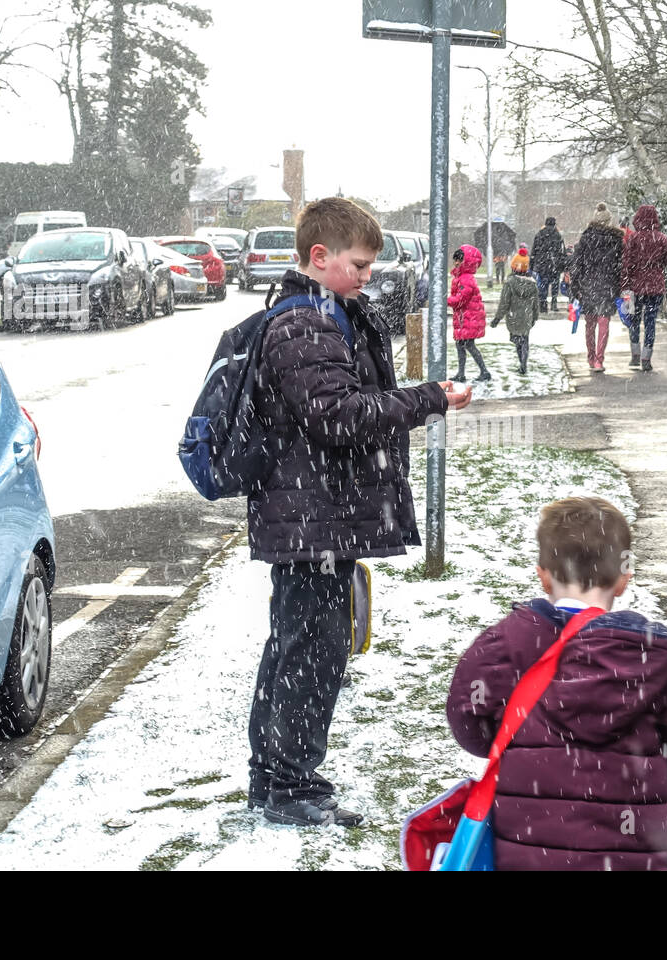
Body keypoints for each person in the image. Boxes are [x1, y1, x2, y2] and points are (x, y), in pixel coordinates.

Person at [246, 197, 473, 827]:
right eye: (359, 265)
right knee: (311, 653)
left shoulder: (328, 313)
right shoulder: (303, 325)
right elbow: (340, 417)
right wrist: (429, 399)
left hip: (315, 515)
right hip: (309, 518)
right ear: (319, 259)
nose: (368, 275)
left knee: (298, 647)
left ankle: (276, 776)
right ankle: (288, 784)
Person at [447, 497, 667, 870]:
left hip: (530, 853)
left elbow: (470, 727)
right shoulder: (655, 655)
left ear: (542, 574)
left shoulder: (504, 644)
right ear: (622, 580)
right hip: (636, 856)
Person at [570, 202, 625, 373]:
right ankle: (599, 360)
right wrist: (619, 285)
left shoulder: (586, 238)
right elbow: (620, 265)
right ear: (609, 221)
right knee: (604, 322)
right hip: (607, 285)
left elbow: (577, 264)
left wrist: (575, 286)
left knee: (590, 323)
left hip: (588, 285)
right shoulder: (616, 239)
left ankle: (590, 356)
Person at [622, 203, 667, 372]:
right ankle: (646, 357)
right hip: (655, 286)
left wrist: (626, 285)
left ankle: (635, 354)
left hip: (635, 287)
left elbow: (627, 263)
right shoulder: (661, 238)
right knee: (650, 322)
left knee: (633, 320)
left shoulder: (633, 239)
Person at [490, 246, 538, 375]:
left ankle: (521, 362)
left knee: (518, 341)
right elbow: (536, 303)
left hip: (513, 317)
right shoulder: (532, 284)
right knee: (525, 340)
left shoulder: (510, 283)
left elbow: (504, 303)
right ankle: (524, 363)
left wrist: (497, 318)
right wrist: (535, 317)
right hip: (527, 317)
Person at [448, 244, 491, 382]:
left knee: (468, 345)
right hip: (464, 318)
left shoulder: (466, 279)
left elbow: (461, 300)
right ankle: (461, 374)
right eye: (455, 260)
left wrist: (446, 300)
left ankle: (484, 372)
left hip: (469, 318)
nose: (456, 263)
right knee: (461, 345)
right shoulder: (461, 277)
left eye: (459, 260)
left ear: (466, 262)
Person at [530, 216, 566, 313]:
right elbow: (562, 251)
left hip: (542, 264)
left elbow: (534, 250)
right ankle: (554, 303)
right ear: (554, 224)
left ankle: (543, 304)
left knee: (543, 285)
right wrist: (563, 264)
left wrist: (532, 264)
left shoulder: (539, 234)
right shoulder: (558, 235)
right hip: (555, 264)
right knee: (555, 284)